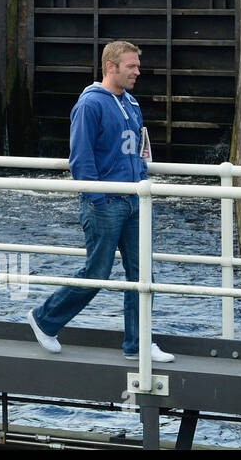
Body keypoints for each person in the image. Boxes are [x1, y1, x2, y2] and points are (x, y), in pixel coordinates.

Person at [27, 40, 174, 362]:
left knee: (142, 275)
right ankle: (44, 319)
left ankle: (138, 344)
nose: (138, 71)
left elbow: (137, 149)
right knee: (97, 272)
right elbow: (81, 158)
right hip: (105, 204)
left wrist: (142, 179)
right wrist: (97, 199)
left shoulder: (132, 104)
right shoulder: (90, 105)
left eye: (137, 65)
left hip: (135, 200)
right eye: (131, 66)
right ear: (111, 67)